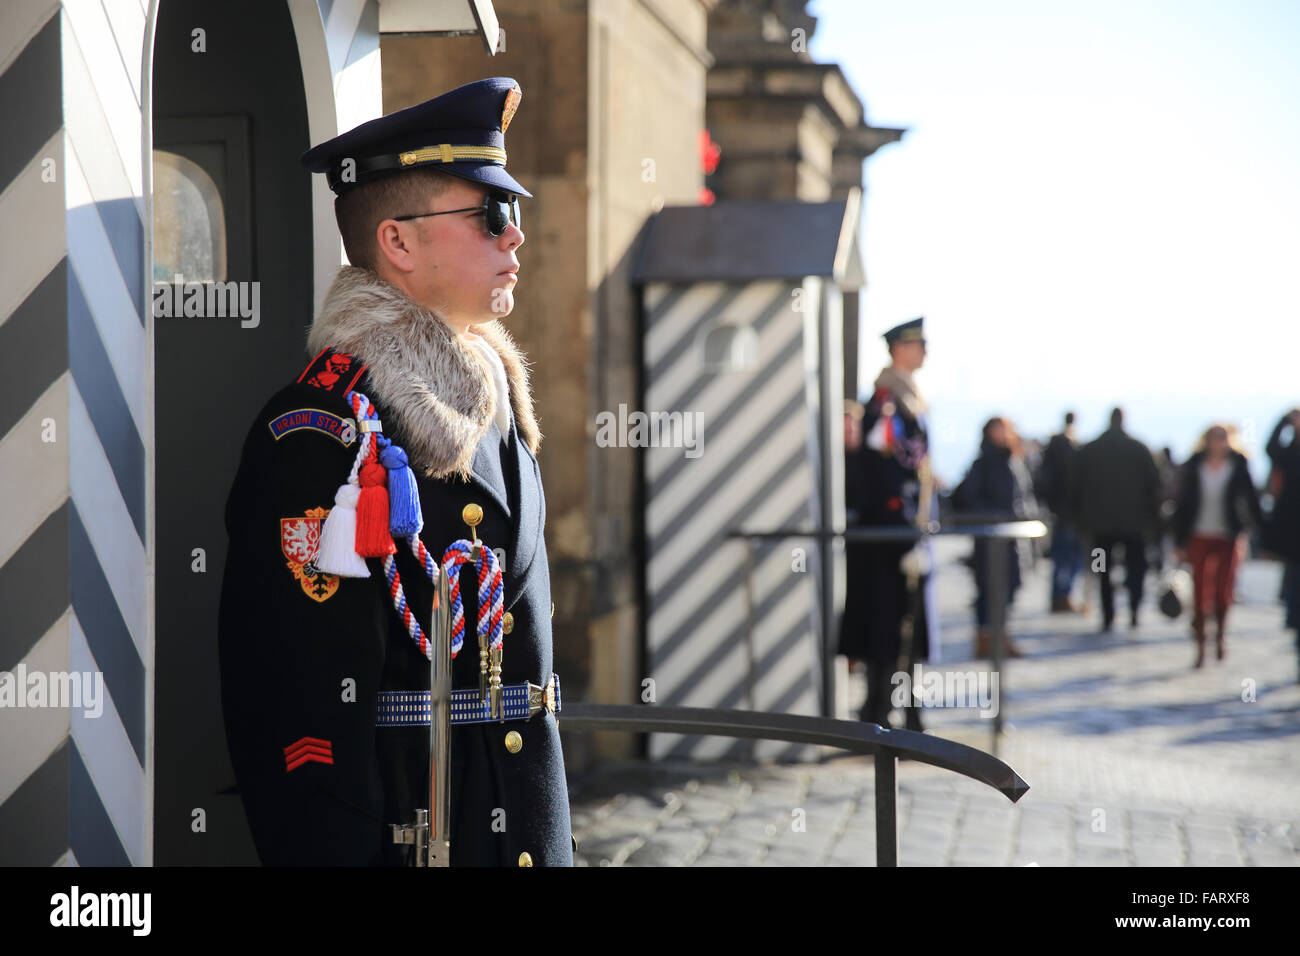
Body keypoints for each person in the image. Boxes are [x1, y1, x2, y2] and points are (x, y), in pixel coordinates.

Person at [217, 78, 574, 866]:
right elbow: (300, 699)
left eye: (513, 213)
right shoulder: (323, 430)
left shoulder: (493, 397)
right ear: (399, 243)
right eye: (491, 214)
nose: (514, 237)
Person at [837, 317, 932, 731]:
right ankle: (881, 710)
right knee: (887, 625)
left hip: (899, 533)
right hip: (888, 536)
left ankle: (894, 709)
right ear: (899, 349)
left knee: (899, 626)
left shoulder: (905, 399)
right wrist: (903, 524)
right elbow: (891, 472)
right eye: (918, 344)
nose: (924, 352)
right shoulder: (887, 403)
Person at [1171, 424, 1261, 667]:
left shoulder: (1238, 464)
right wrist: (1179, 541)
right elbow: (1183, 502)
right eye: (1214, 437)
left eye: (1222, 438)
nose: (1218, 442)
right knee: (1200, 589)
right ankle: (1201, 645)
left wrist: (1258, 528)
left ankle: (1220, 635)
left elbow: (1250, 498)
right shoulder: (1195, 464)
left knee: (1224, 589)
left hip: (1227, 535)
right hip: (1199, 533)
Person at [1072, 407, 1161, 631]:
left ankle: (1108, 614)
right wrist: (1154, 521)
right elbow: (1154, 487)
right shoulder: (1139, 449)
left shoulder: (1089, 450)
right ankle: (1133, 611)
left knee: (1101, 569)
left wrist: (1081, 521)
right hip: (1135, 526)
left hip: (1099, 528)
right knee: (1135, 569)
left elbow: (1075, 488)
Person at [956, 417, 1035, 657]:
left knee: (1009, 587)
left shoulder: (1014, 460)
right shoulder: (984, 463)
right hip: (990, 537)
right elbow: (970, 497)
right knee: (988, 589)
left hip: (1013, 537)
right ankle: (985, 638)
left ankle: (1000, 636)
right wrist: (995, 516)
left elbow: (1024, 495)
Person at [1262, 409, 1300, 680]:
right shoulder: (1289, 452)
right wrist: (1285, 421)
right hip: (1291, 528)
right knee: (1295, 577)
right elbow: (1271, 447)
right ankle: (1295, 621)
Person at [1038, 411, 1083, 612]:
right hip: (1069, 513)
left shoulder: (1054, 448)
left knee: (1062, 557)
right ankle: (1062, 596)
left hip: (1060, 512)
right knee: (1071, 557)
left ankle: (1060, 595)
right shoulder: (1068, 448)